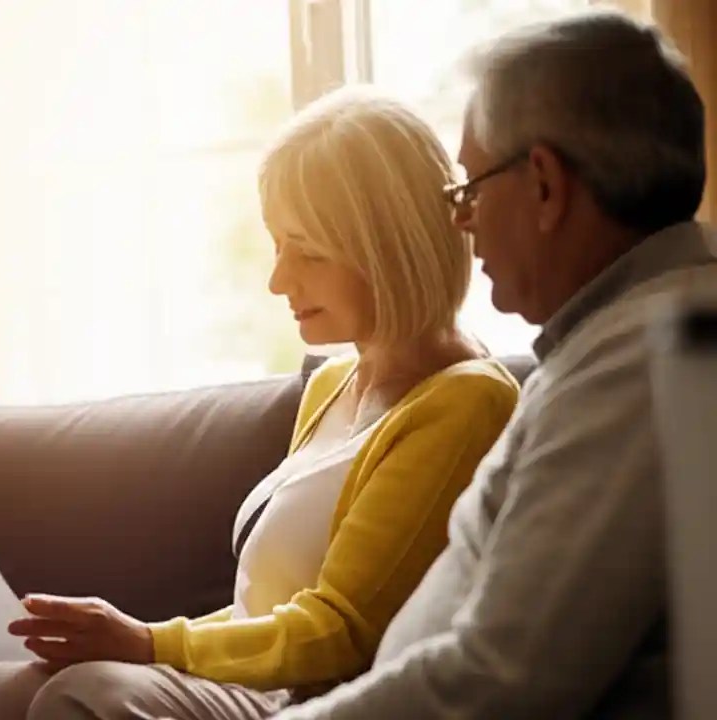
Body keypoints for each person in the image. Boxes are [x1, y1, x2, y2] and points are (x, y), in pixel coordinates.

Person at [0, 87, 521, 720]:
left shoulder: (467, 401)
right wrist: (138, 643)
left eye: (307, 251)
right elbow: (265, 613)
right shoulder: (335, 382)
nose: (279, 280)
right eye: (277, 245)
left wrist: (147, 644)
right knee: (8, 685)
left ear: (388, 247)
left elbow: (340, 630)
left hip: (331, 702)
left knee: (91, 695)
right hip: (265, 688)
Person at [265, 10, 717, 720]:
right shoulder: (624, 341)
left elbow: (505, 678)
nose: (460, 220)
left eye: (469, 189)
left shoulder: (640, 361)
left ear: (543, 185)